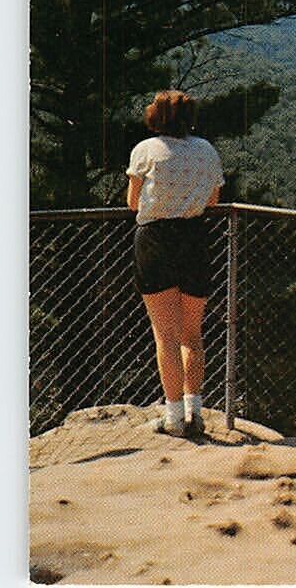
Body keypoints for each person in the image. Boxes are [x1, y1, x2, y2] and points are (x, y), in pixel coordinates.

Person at [126, 89, 224, 437]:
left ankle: (172, 418)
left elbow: (134, 202)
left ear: (156, 117)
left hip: (154, 241)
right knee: (192, 334)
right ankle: (195, 414)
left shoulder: (145, 151)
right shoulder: (206, 150)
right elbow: (212, 199)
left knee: (164, 335)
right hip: (195, 239)